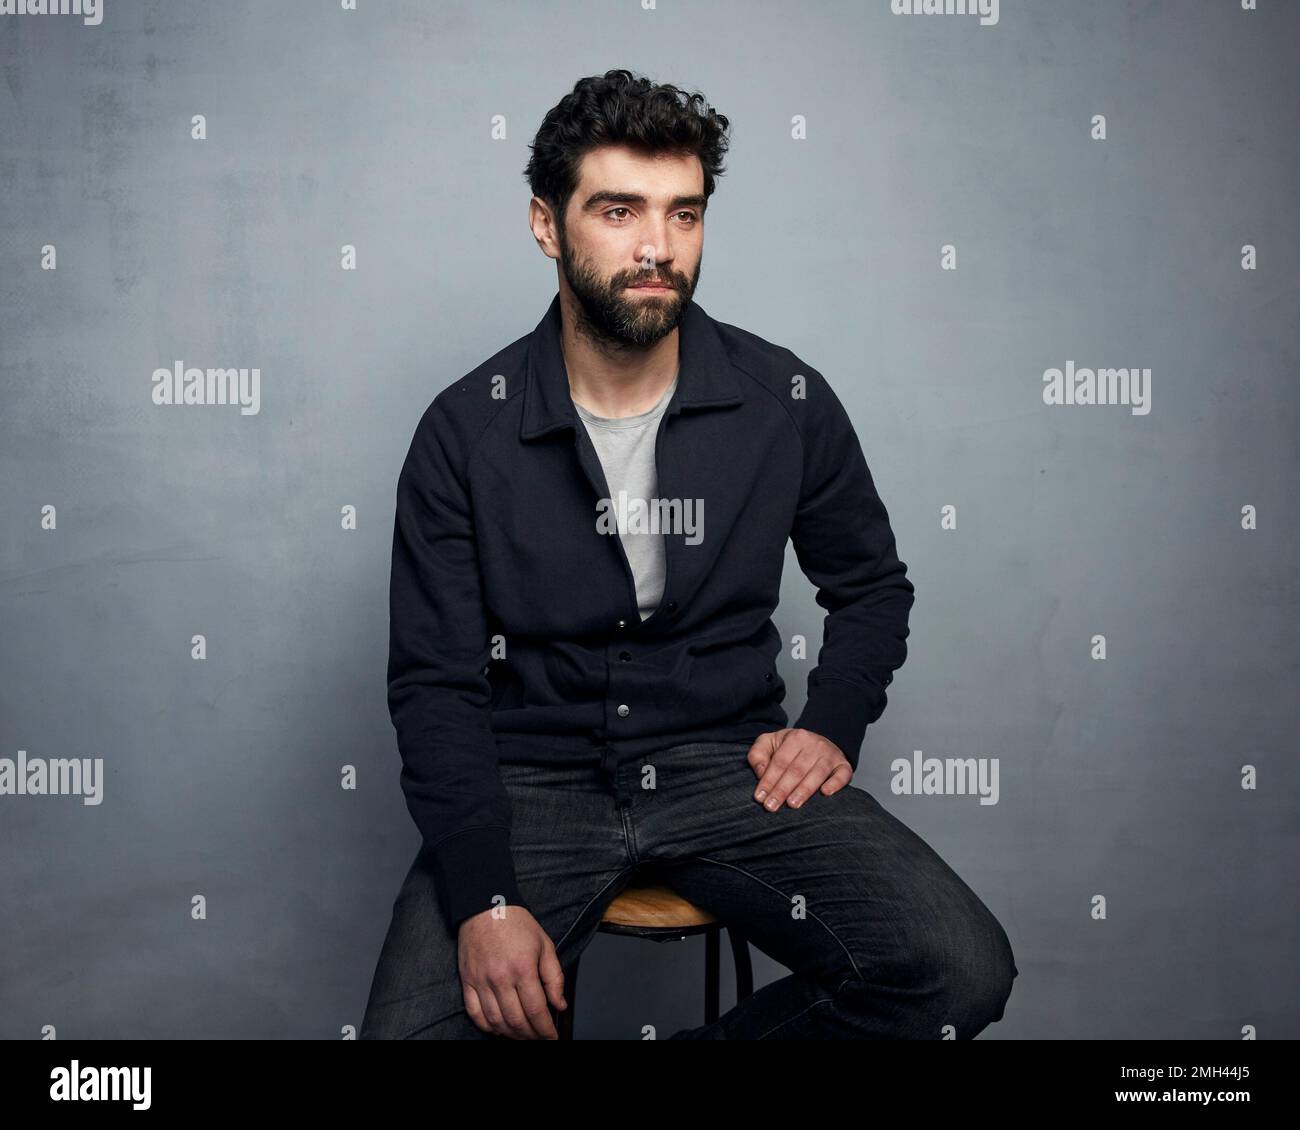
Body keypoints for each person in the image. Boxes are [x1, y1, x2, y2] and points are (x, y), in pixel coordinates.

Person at [360, 69, 1017, 1040]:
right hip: (531, 784)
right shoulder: (466, 430)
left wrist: (829, 721)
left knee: (956, 971)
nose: (657, 246)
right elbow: (435, 682)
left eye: (683, 213)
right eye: (618, 211)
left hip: (725, 766)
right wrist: (487, 900)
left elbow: (871, 586)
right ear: (547, 223)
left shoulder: (781, 399)